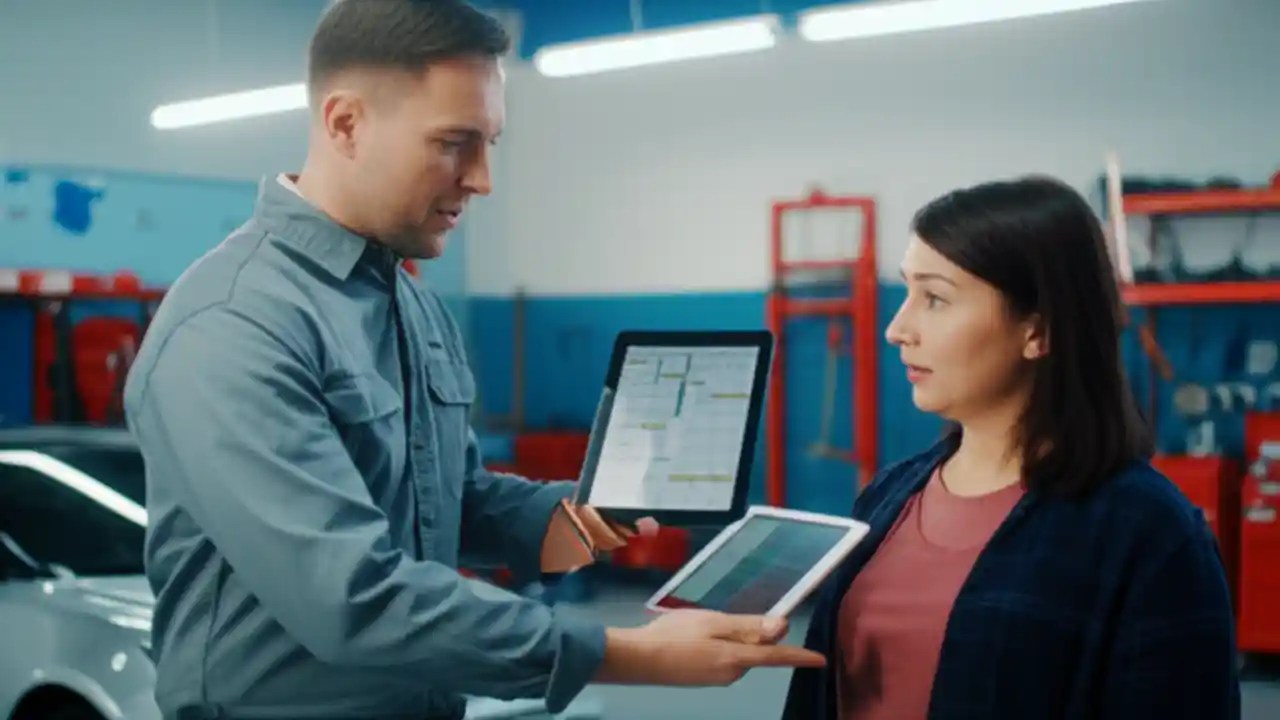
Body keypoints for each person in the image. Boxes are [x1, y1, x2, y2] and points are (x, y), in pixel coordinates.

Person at [123, 1, 823, 719]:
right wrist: (632, 655)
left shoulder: (408, 298)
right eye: (454, 142)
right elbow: (351, 599)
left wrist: (569, 518)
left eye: (489, 142)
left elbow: (452, 499)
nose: (483, 178)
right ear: (344, 124)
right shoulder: (233, 325)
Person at [781, 176, 1240, 720]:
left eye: (934, 298)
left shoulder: (1150, 534)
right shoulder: (887, 495)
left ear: (1037, 330)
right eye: (905, 291)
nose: (897, 329)